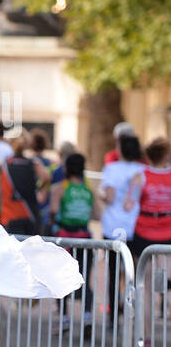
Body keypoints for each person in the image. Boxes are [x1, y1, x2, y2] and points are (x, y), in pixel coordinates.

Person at [49, 151, 98, 335]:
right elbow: (97, 215)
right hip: (85, 239)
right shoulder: (88, 190)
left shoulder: (60, 188)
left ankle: (64, 319)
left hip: (65, 240)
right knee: (85, 280)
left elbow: (53, 210)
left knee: (61, 279)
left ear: (66, 168)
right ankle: (87, 318)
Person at [99, 133, 143, 317]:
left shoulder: (112, 168)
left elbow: (108, 197)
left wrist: (100, 194)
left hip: (112, 226)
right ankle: (132, 307)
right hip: (135, 225)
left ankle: (113, 312)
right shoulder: (142, 170)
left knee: (113, 272)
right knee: (136, 270)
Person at [126, 136, 171, 266]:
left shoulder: (139, 177)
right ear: (167, 155)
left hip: (144, 230)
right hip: (167, 230)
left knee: (145, 275)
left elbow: (128, 205)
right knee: (165, 275)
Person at [0, 135, 45, 236]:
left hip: (9, 214)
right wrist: (40, 190)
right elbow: (46, 177)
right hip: (30, 213)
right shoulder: (33, 163)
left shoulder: (3, 164)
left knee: (13, 249)